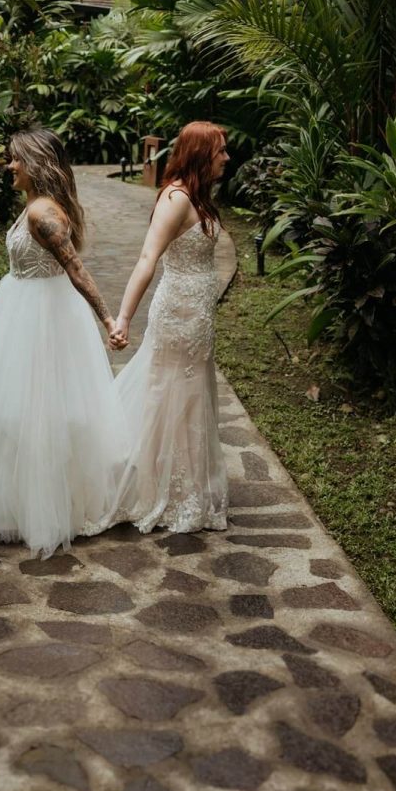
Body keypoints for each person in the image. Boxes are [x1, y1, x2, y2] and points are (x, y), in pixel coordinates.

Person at [0, 127, 127, 558]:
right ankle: (14, 500)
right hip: (21, 309)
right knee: (11, 411)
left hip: (43, 319)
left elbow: (77, 270)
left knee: (38, 412)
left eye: (16, 159)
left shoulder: (44, 214)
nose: (10, 165)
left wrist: (107, 319)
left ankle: (45, 507)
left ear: (35, 163)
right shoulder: (33, 206)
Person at [106, 121, 230, 533]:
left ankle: (187, 486)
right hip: (177, 314)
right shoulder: (175, 198)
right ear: (200, 154)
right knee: (169, 393)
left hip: (198, 316)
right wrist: (123, 318)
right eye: (220, 152)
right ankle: (159, 486)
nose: (227, 158)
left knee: (192, 396)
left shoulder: (198, 198)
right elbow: (147, 259)